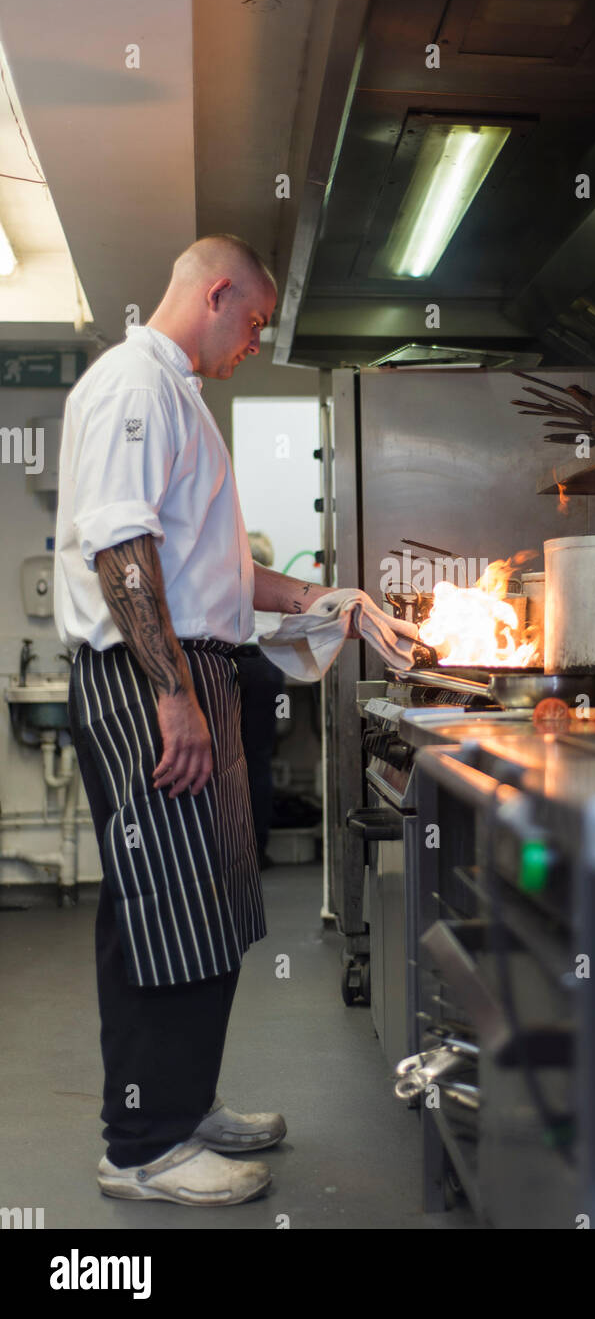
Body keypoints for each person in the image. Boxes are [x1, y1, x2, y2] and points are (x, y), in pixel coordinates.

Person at [54, 234, 333, 1207]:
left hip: (197, 668)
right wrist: (173, 692)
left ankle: (182, 1103)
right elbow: (123, 553)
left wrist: (314, 595)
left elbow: (212, 568)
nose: (256, 341)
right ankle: (140, 1147)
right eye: (254, 321)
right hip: (150, 675)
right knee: (158, 908)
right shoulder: (135, 386)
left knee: (207, 905)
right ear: (216, 293)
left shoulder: (180, 397)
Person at [236, 532, 289, 870]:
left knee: (224, 761)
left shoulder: (232, 584)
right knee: (258, 761)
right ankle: (257, 851)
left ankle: (227, 852)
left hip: (230, 665)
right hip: (266, 670)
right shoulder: (276, 590)